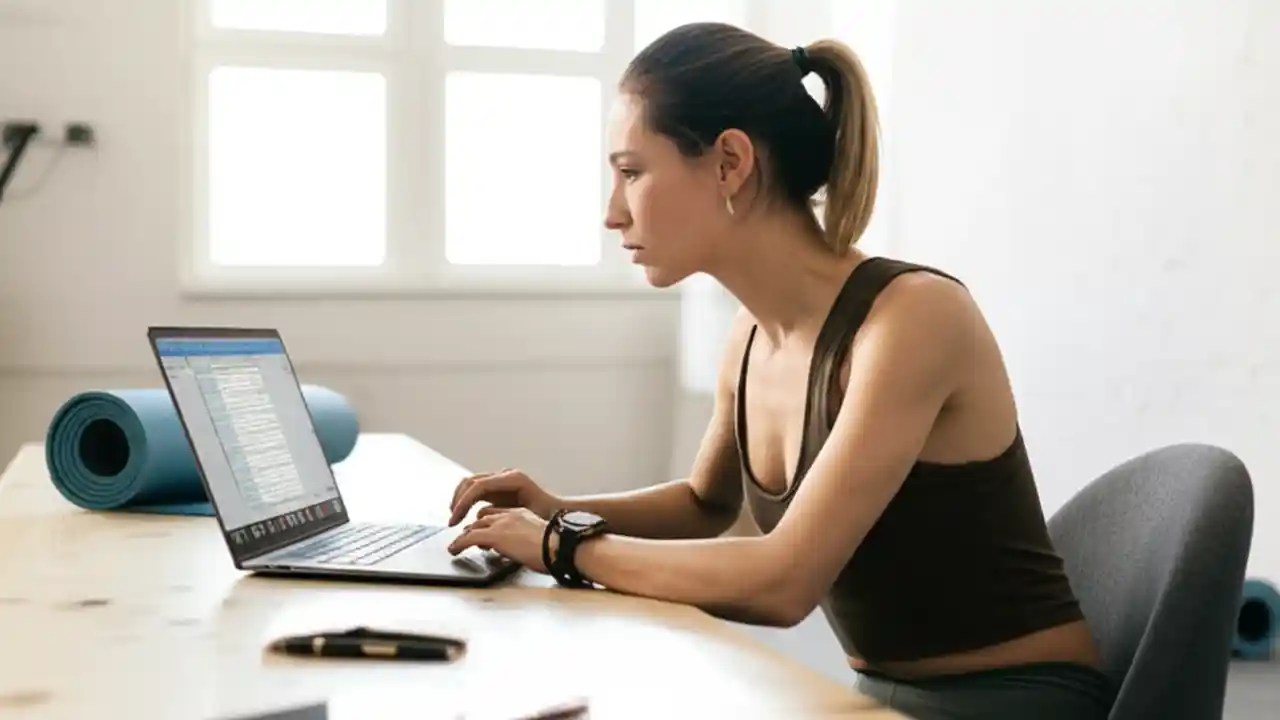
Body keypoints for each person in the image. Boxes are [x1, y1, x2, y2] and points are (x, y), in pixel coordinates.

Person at [446, 22, 1116, 720]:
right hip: (877, 698)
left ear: (730, 162)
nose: (612, 213)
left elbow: (784, 581)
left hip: (1017, 702)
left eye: (633, 172)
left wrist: (564, 546)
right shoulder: (750, 336)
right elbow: (707, 504)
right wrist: (555, 509)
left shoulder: (913, 319)